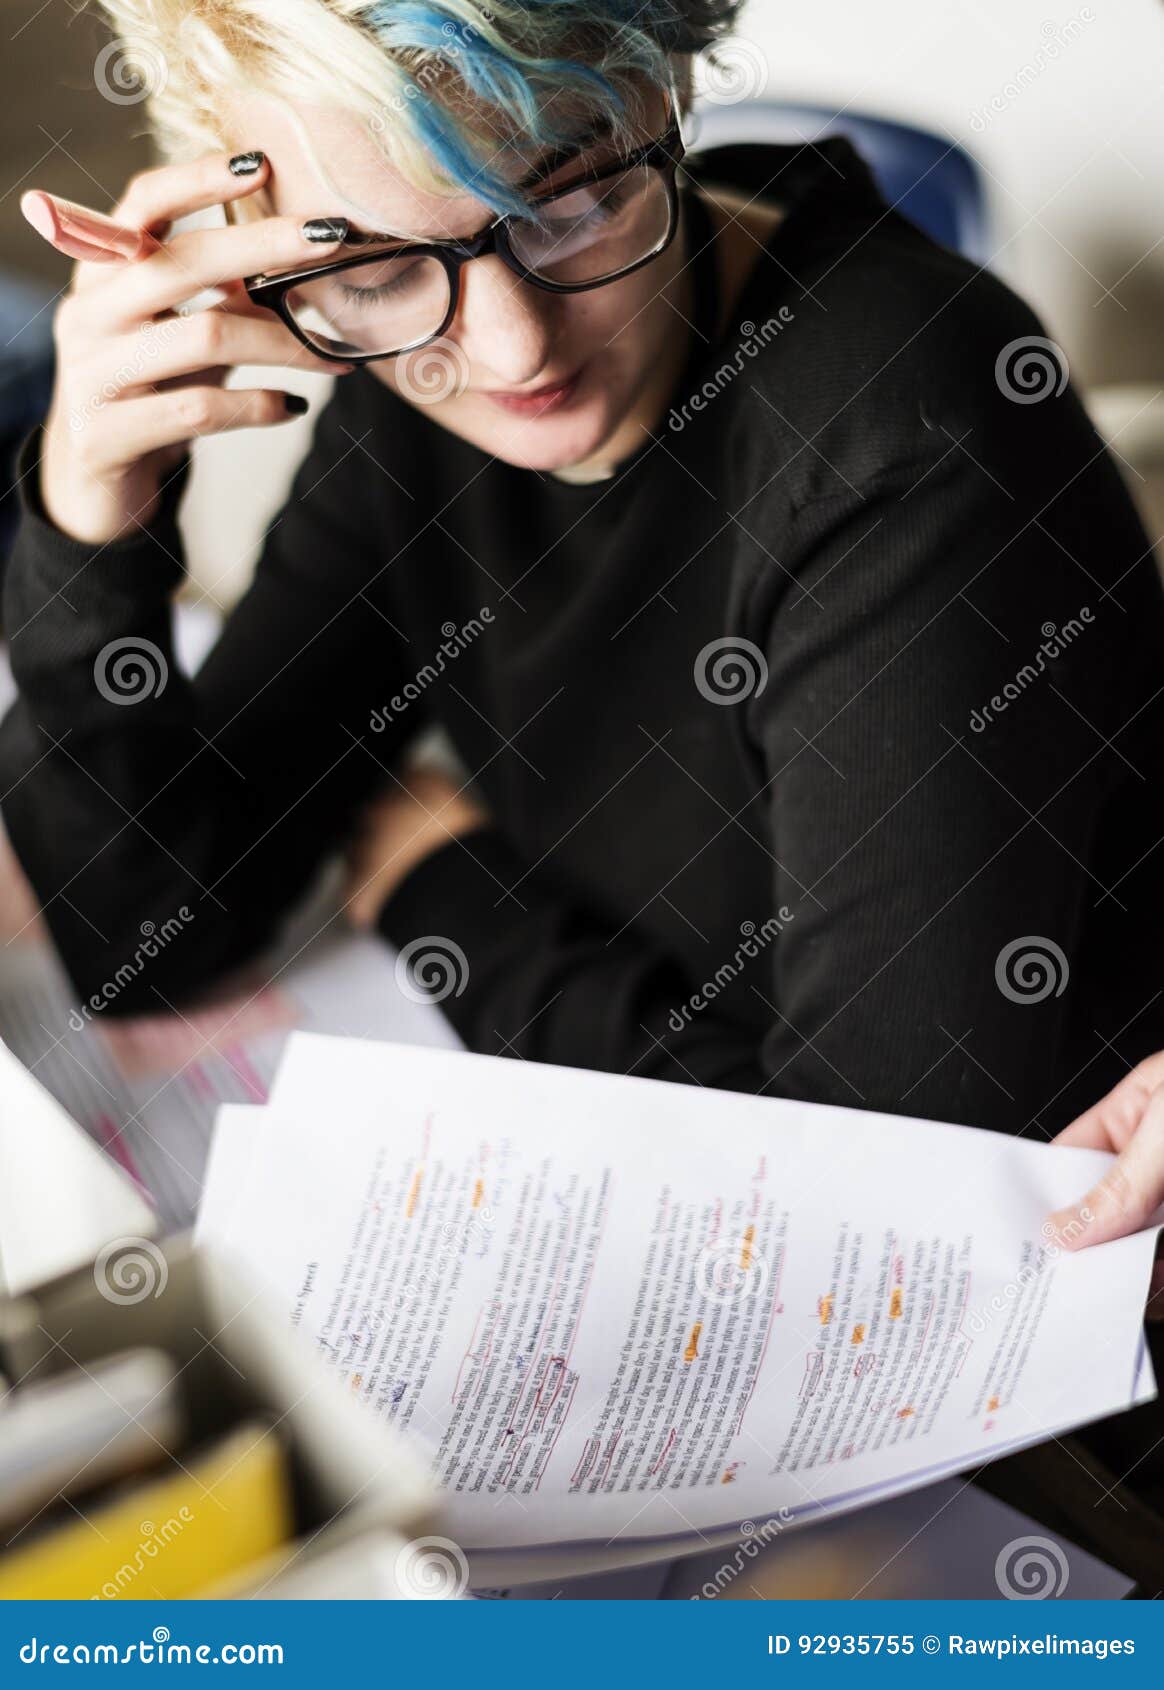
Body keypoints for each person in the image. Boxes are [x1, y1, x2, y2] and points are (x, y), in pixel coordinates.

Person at [2, 0, 1163, 1155]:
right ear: (252, 243)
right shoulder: (409, 385)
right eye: (367, 266)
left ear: (669, 93)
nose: (516, 352)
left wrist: (441, 888)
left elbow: (875, 1176)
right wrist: (87, 527)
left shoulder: (908, 425)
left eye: (573, 203)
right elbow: (154, 944)